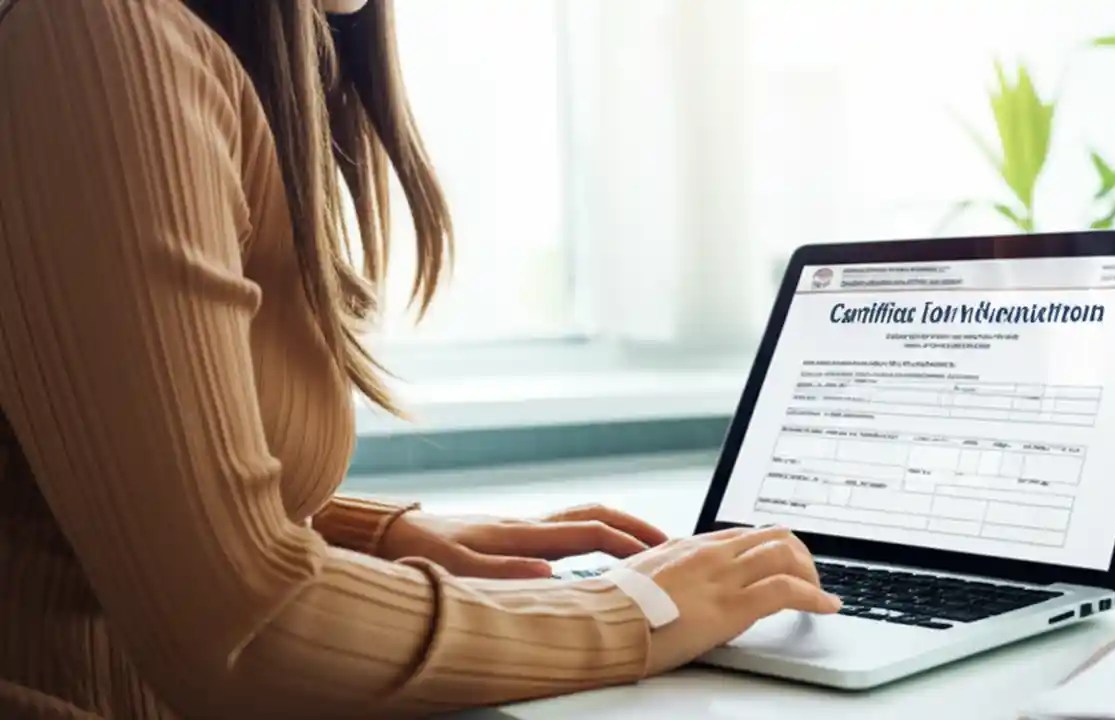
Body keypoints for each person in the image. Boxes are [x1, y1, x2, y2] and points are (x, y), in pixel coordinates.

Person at [0, 0, 841, 717]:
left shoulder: (191, 56)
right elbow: (241, 630)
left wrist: (377, 537)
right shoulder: (104, 40)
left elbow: (82, 489)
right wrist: (637, 608)